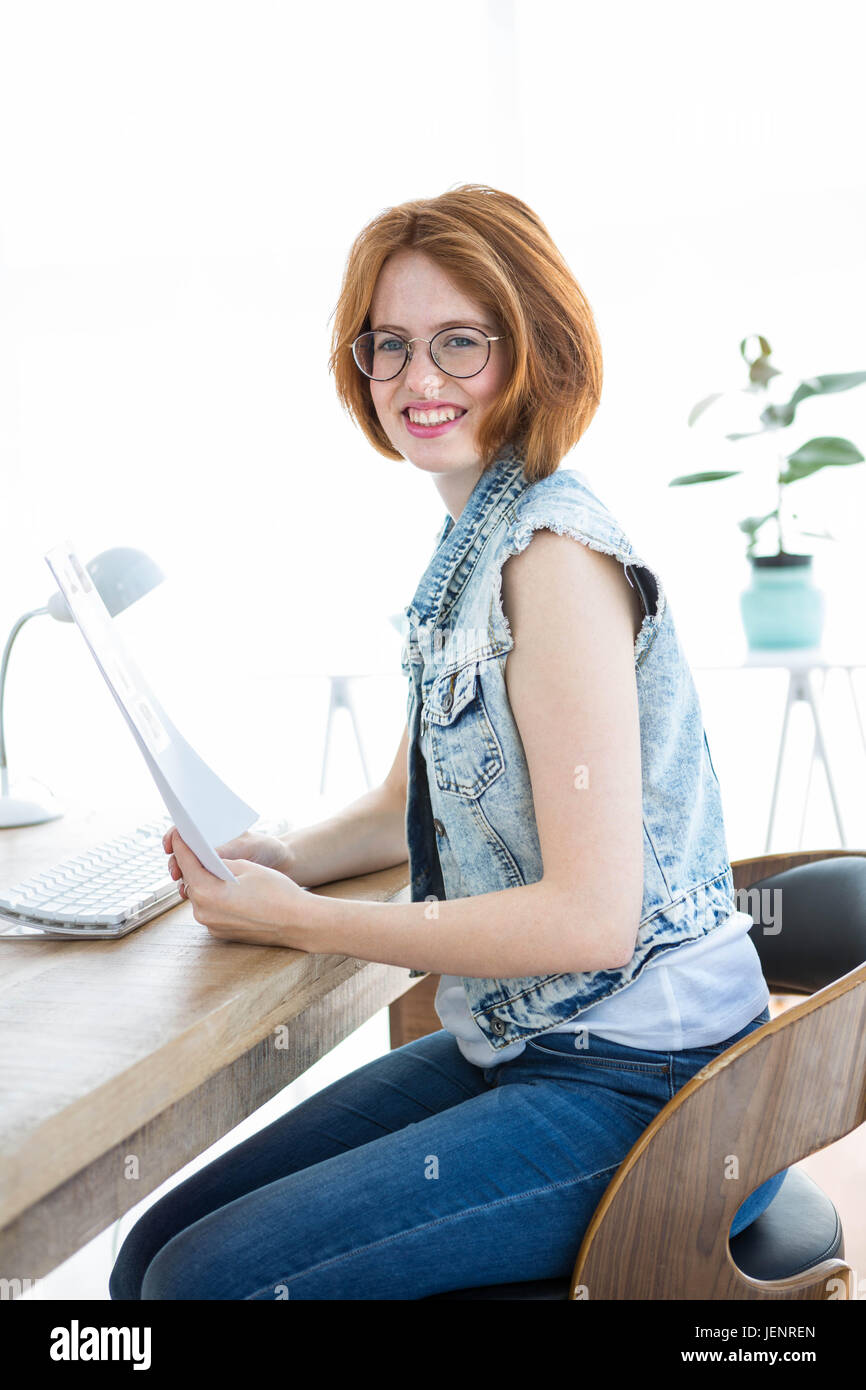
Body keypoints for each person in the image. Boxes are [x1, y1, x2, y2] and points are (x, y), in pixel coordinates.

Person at [109, 184, 786, 1301]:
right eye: (391, 346)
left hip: (652, 1090)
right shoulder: (472, 547)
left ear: (534, 351)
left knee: (200, 1283)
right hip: (532, 1051)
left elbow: (587, 917)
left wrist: (312, 924)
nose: (418, 381)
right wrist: (274, 858)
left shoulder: (553, 561)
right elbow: (400, 804)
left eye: (458, 342)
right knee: (150, 1254)